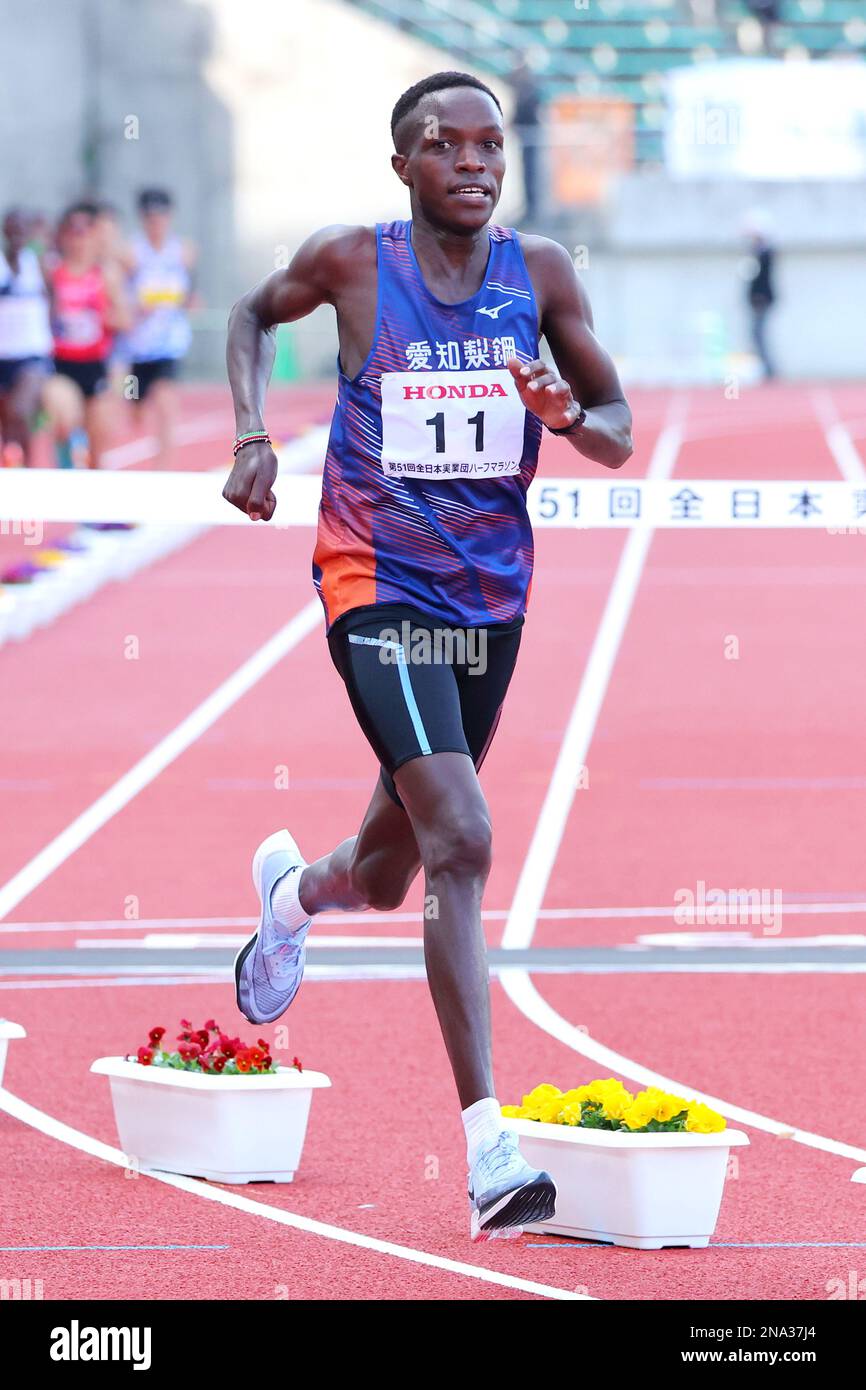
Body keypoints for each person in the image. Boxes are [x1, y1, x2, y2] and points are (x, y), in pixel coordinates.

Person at [222, 71, 633, 1240]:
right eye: (442, 145)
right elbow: (248, 315)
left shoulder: (540, 273)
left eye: (488, 145)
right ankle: (488, 1151)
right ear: (401, 165)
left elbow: (616, 431)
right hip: (373, 584)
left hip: (486, 603)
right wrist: (253, 435)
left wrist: (562, 416)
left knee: (393, 870)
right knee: (464, 837)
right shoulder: (354, 262)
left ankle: (294, 894)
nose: (471, 162)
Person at [43, 202, 129, 469]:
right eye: (73, 232)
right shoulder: (52, 273)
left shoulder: (106, 275)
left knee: (99, 446)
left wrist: (100, 316)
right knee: (65, 421)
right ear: (64, 236)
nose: (78, 240)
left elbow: (125, 321)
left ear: (93, 236)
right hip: (61, 365)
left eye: (85, 232)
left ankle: (95, 503)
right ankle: (66, 471)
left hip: (96, 367)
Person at [125, 188, 196, 466]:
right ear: (142, 219)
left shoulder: (183, 252)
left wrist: (188, 301)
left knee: (166, 404)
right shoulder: (131, 253)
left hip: (169, 343)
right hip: (139, 346)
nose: (156, 223)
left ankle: (164, 472)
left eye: (161, 217)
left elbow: (191, 292)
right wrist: (133, 308)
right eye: (150, 218)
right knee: (136, 411)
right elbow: (118, 293)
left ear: (169, 217)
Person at [0, 208, 53, 467]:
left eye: (22, 227)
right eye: (12, 227)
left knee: (19, 411)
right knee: (7, 423)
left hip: (32, 355)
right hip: (3, 355)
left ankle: (30, 470)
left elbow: (55, 301)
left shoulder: (38, 263)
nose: (17, 233)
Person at [509, 57, 542, 222]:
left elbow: (527, 110)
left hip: (530, 135)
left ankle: (532, 209)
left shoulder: (529, 90)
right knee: (527, 172)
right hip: (525, 135)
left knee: (531, 172)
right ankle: (529, 208)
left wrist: (515, 122)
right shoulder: (525, 89)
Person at [744, 219, 777, 380]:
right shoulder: (757, 252)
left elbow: (761, 278)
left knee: (758, 334)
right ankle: (765, 368)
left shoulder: (765, 253)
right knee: (756, 334)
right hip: (758, 299)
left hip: (761, 299)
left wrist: (758, 297)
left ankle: (768, 369)